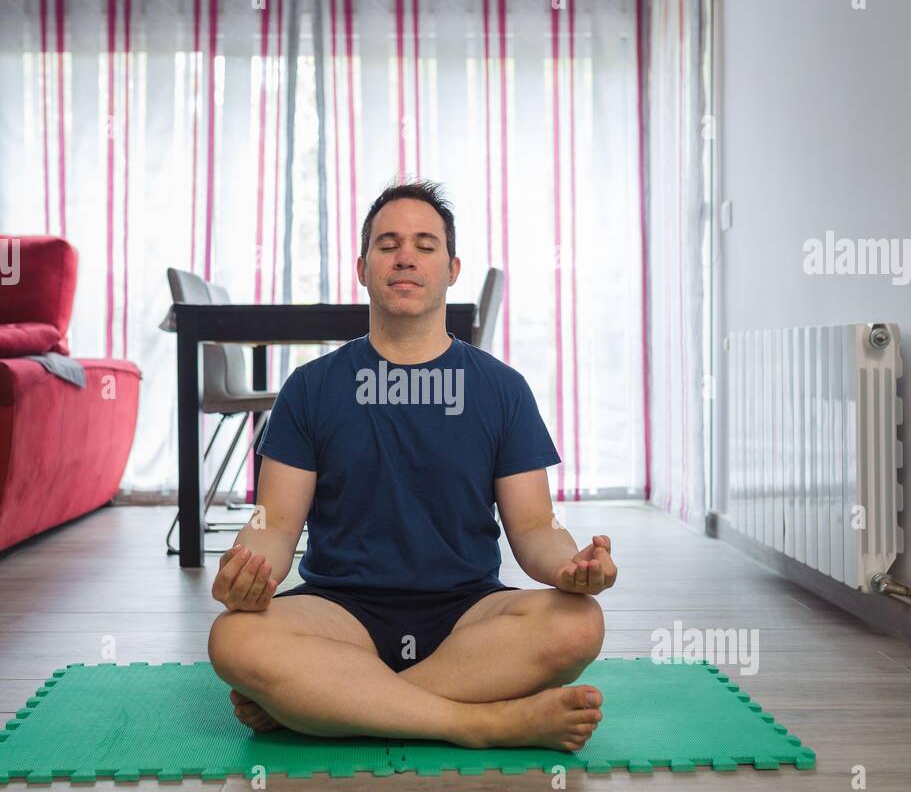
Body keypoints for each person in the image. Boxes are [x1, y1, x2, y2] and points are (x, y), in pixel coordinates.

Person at [207, 180, 616, 751]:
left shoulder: (503, 389)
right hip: (339, 612)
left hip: (468, 613)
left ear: (451, 268)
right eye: (388, 243)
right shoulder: (311, 387)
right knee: (234, 639)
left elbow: (532, 528)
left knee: (579, 622)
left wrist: (572, 566)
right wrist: (249, 572)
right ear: (362, 266)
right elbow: (274, 524)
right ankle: (484, 723)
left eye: (425, 245)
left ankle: (329, 703)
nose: (405, 256)